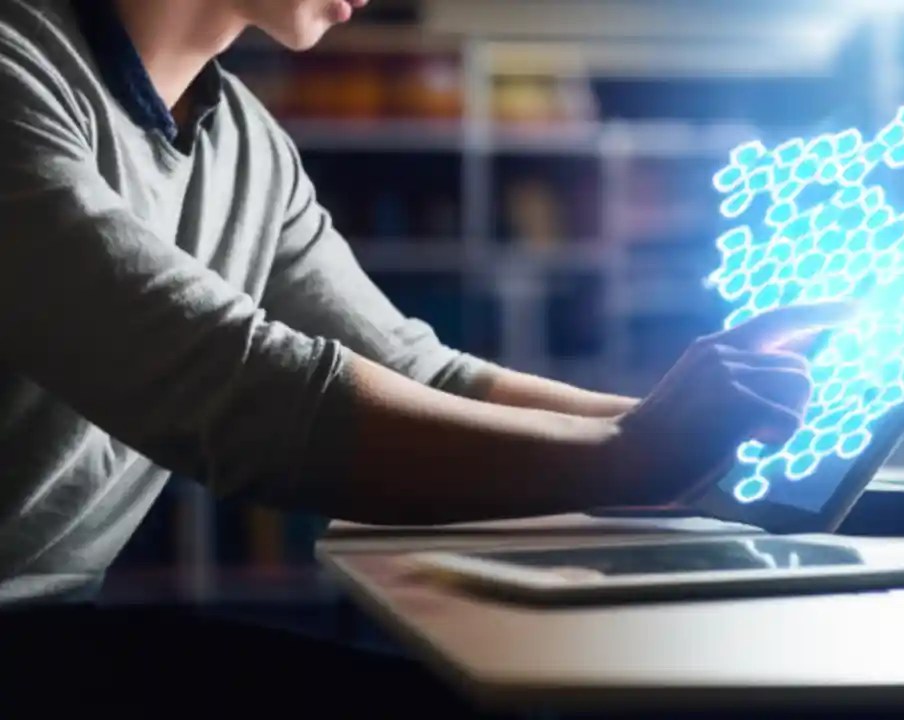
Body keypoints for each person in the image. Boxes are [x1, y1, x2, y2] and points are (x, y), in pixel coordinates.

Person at [0, 0, 851, 708]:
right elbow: (244, 394)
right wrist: (639, 455)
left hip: (57, 634)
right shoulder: (15, 70)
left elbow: (420, 374)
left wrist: (675, 425)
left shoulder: (249, 148)